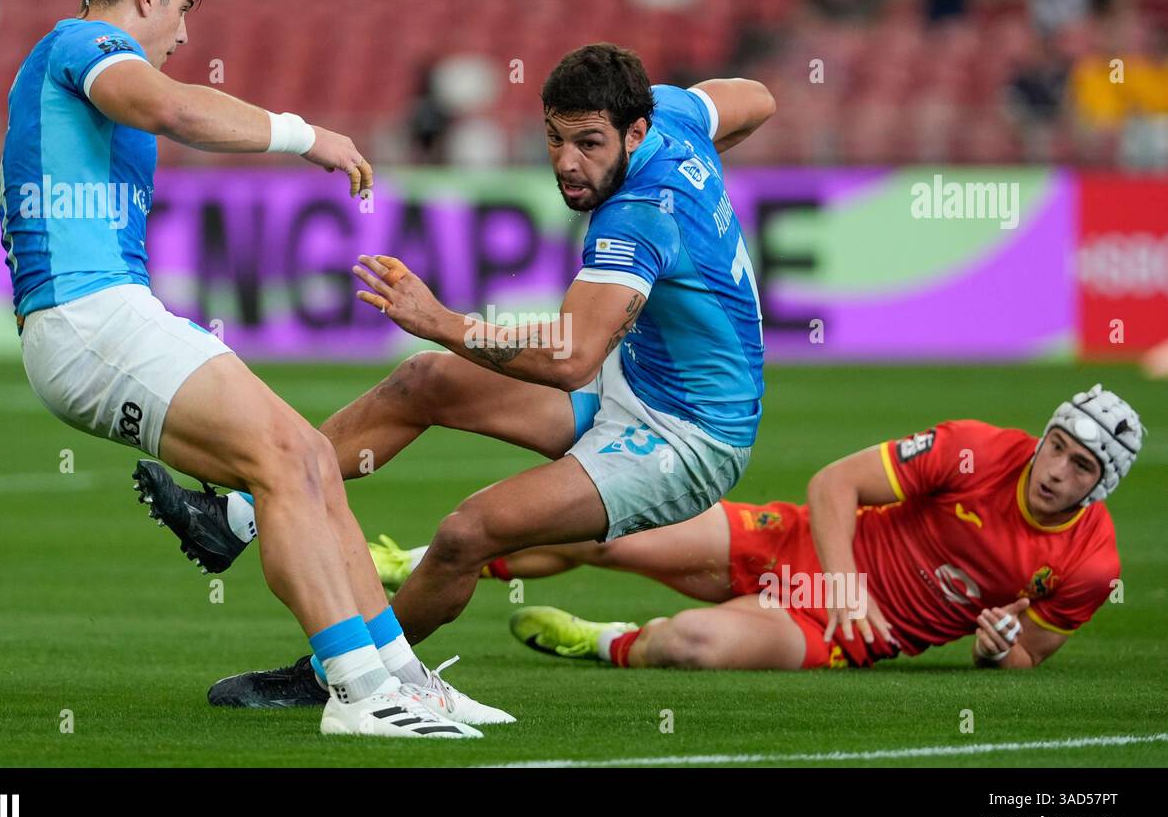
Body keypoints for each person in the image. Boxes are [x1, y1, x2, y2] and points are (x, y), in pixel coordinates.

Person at [141, 42, 776, 706]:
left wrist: (439, 319)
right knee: (423, 383)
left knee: (465, 534)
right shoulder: (675, 118)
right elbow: (758, 98)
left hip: (688, 439)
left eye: (589, 144)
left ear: (634, 132)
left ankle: (343, 677)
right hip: (638, 379)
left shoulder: (638, 218)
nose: (566, 162)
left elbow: (570, 359)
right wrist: (697, 181)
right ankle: (238, 517)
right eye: (555, 139)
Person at [1, 0, 506, 737]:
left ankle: (400, 679)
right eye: (185, 8)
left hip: (99, 316)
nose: (184, 32)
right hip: (85, 315)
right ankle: (355, 690)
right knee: (284, 462)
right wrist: (305, 136)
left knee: (308, 458)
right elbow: (173, 110)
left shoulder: (75, 62)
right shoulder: (81, 46)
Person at [479, 386, 1141, 671]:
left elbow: (1026, 657)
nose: (1056, 470)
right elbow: (833, 484)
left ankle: (603, 641)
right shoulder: (978, 450)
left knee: (692, 646)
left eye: (1080, 466)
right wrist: (850, 584)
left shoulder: (1089, 565)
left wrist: (997, 651)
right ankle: (439, 562)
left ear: (1101, 484)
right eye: (1057, 446)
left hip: (834, 632)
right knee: (610, 529)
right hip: (791, 541)